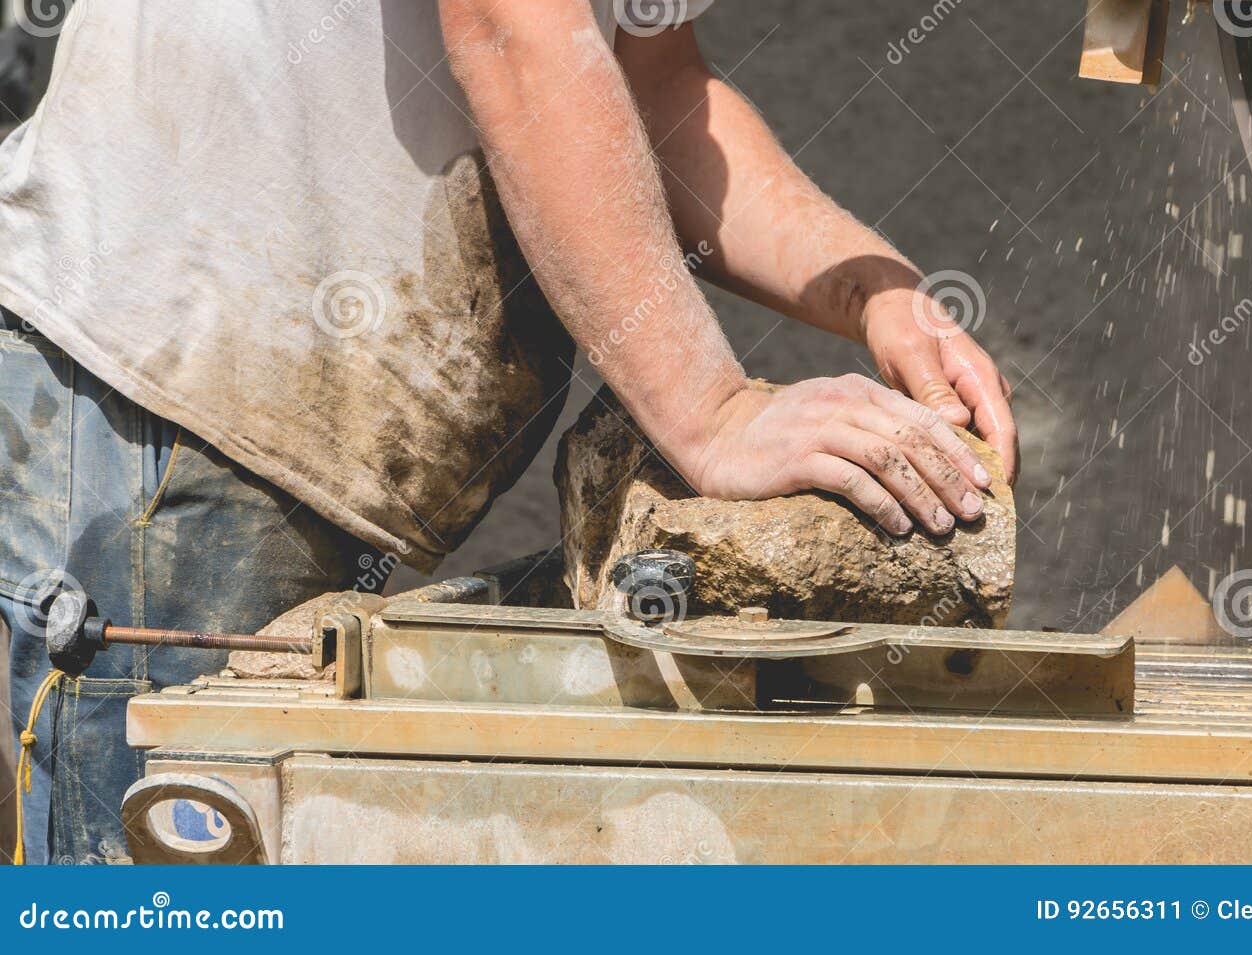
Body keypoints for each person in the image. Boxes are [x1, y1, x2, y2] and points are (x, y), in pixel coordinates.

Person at [0, 1, 1016, 864]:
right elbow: (512, 27)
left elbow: (654, 84)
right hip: (158, 392)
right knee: (148, 901)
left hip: (274, 439)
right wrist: (713, 415)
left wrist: (873, 289)